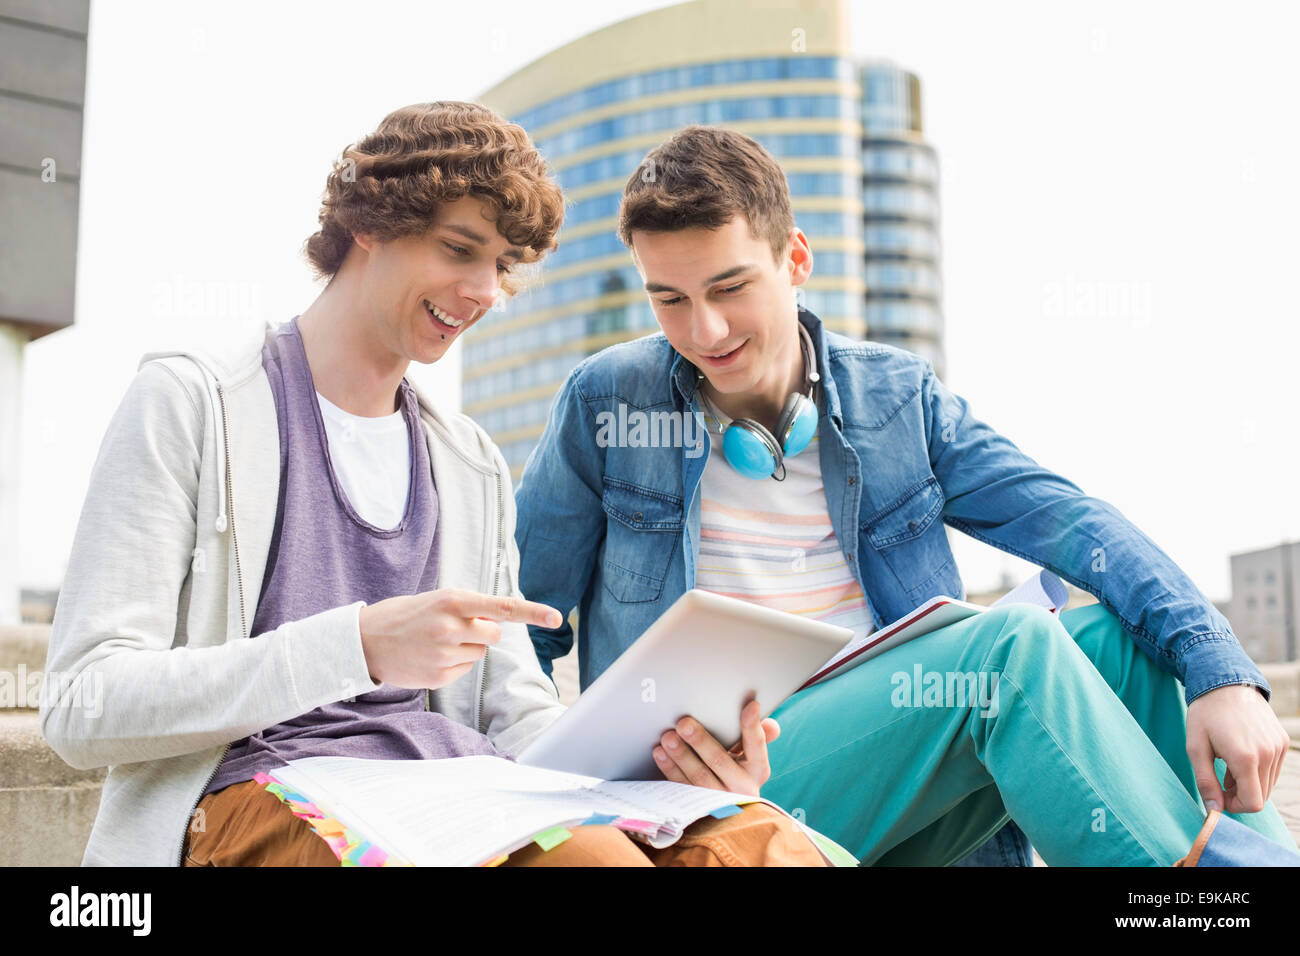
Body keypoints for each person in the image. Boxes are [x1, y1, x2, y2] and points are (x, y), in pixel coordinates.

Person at [38, 102, 830, 868]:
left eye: (501, 266)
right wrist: (357, 646)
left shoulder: (469, 461)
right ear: (366, 226)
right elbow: (83, 704)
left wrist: (666, 769)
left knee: (762, 843)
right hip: (251, 795)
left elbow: (515, 713)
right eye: (460, 250)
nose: (487, 291)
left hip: (449, 795)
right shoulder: (192, 403)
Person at [513, 124, 1300, 866]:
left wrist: (1220, 671)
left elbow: (1073, 524)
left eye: (729, 287)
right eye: (669, 300)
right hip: (707, 796)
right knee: (1006, 655)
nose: (706, 330)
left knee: (1128, 650)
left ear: (794, 260)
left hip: (899, 765)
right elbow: (524, 624)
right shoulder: (607, 404)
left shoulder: (894, 398)